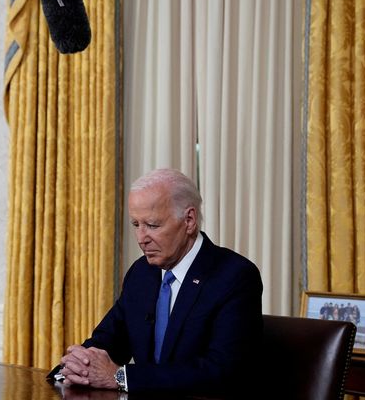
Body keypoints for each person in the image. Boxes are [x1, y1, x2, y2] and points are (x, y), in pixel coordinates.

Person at [57, 168, 263, 396]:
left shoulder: (234, 275)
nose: (141, 238)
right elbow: (108, 340)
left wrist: (121, 377)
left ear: (189, 220)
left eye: (153, 225)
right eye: (136, 224)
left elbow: (220, 371)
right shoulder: (141, 273)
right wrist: (75, 366)